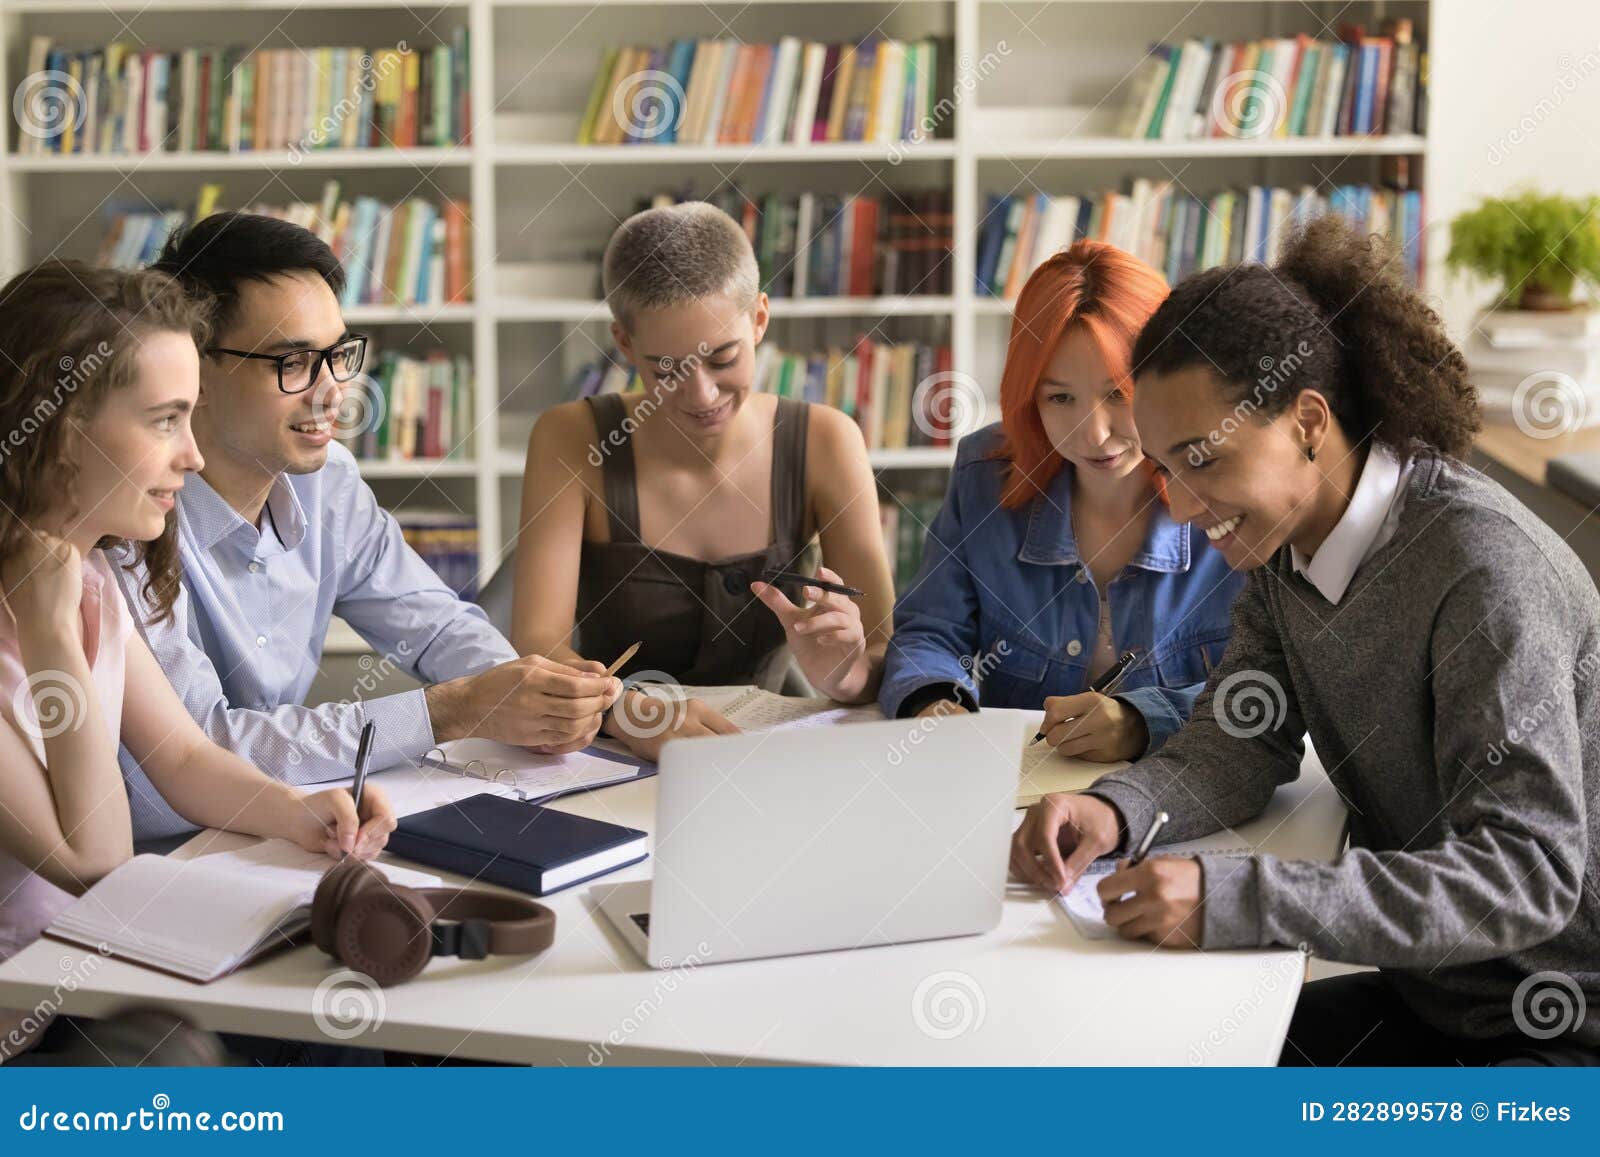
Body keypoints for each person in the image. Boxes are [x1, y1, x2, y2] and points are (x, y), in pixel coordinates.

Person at [1010, 215, 1600, 1065]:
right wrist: (1116, 809)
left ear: (1308, 421)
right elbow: (1238, 742)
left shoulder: (1483, 574)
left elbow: (1526, 874)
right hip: (1433, 997)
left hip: (1561, 1028)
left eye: (1201, 460)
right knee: (1157, 1076)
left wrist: (1234, 895)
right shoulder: (1286, 551)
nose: (1177, 505)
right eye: (1164, 469)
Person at [114, 212, 621, 840]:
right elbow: (198, 750)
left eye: (338, 355)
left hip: (291, 828)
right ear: (195, 369)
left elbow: (434, 627)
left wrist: (531, 697)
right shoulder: (127, 520)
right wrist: (451, 711)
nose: (332, 392)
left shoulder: (326, 481)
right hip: (161, 852)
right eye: (293, 361)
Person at [0, 262, 395, 1062]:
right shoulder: (45, 608)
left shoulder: (95, 575)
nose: (194, 455)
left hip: (88, 970)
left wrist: (299, 809)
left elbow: (180, 755)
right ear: (65, 429)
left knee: (352, 1010)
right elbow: (94, 859)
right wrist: (47, 640)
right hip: (33, 1015)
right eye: (166, 420)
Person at [510, 201, 896, 759]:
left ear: (759, 319)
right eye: (666, 369)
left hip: (769, 754)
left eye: (722, 358)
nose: (702, 396)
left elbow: (882, 653)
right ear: (624, 344)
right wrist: (630, 713)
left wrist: (845, 673)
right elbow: (540, 650)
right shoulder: (571, 438)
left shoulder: (827, 442)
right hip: (611, 753)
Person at [879, 241, 1245, 761]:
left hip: (1183, 802)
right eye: (1059, 398)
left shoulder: (1230, 496)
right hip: (1015, 801)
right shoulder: (986, 474)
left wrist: (1145, 722)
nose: (1093, 434)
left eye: (1118, 392)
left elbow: (1268, 689)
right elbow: (930, 632)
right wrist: (939, 704)